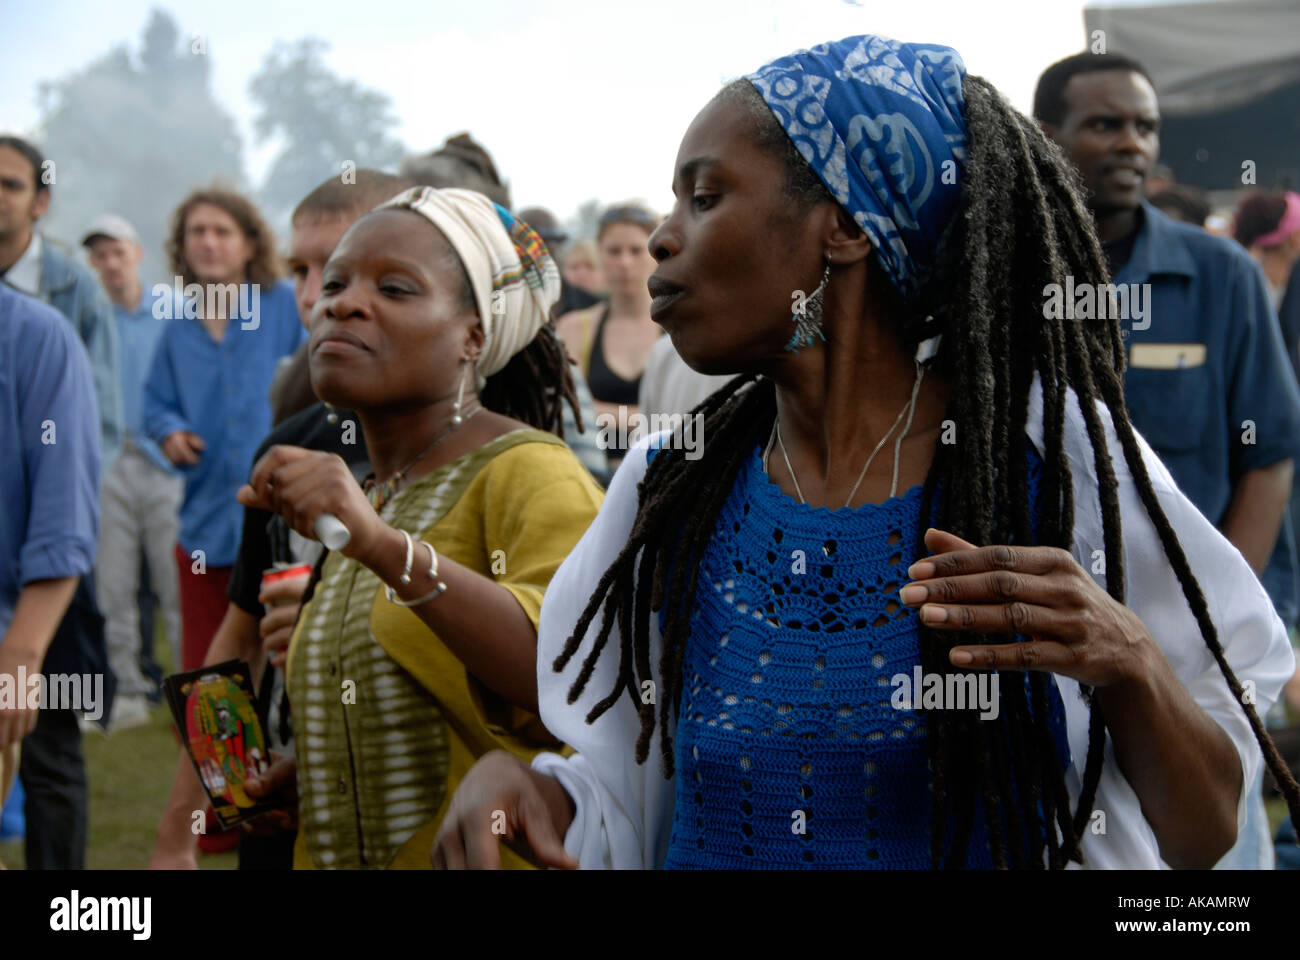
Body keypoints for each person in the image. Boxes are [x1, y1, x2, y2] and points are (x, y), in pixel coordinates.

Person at [430, 34, 1298, 871]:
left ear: (844, 227)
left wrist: (1129, 659)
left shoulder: (1047, 457)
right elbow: (626, 791)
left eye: (704, 196)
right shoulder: (674, 485)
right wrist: (526, 789)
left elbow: (1205, 834)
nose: (663, 237)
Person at [234, 186, 604, 870]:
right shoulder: (376, 496)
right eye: (335, 283)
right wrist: (322, 775)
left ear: (473, 335)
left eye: (396, 289)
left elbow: (564, 677)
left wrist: (376, 544)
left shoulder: (530, 473)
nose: (340, 302)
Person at [1036, 52, 1300, 869]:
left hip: (1202, 656)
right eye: (1104, 124)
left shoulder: (1219, 274)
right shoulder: (1009, 282)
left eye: (1145, 126)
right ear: (1046, 137)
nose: (1131, 144)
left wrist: (1201, 636)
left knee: (1215, 856)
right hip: (1055, 657)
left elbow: (1268, 457)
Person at [150, 168, 412, 869]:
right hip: (286, 819)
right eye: (302, 269)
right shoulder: (290, 441)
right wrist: (186, 822)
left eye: (342, 266)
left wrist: (338, 611)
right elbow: (236, 645)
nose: (313, 293)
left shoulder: (474, 448)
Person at [1, 133, 121, 870]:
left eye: (9, 184)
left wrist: (68, 506)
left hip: (50, 550)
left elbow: (95, 423)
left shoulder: (62, 305)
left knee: (49, 744)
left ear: (39, 202)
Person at [144, 187, 304, 676]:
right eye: (197, 232)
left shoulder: (285, 304)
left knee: (282, 670)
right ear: (183, 246)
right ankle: (205, 755)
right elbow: (154, 403)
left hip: (283, 521)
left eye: (222, 231)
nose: (208, 242)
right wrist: (169, 429)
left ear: (250, 244)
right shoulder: (176, 323)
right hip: (204, 529)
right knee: (206, 678)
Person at [0, 283, 101, 869]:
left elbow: (64, 510)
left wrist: (21, 650)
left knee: (52, 765)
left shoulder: (37, 336)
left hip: (31, 612)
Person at [83, 213, 184, 732]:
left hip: (165, 464)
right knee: (113, 585)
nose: (109, 264)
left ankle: (194, 686)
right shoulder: (93, 320)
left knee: (175, 583)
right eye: (99, 256)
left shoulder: (173, 312)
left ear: (137, 254)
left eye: (116, 252)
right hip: (109, 463)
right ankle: (127, 687)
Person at [556, 203, 663, 468]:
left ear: (655, 256)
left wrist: (597, 410)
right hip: (593, 482)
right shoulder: (574, 328)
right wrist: (650, 419)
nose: (625, 262)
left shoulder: (681, 327)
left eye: (636, 251)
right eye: (614, 251)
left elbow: (696, 420)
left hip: (666, 478)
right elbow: (564, 413)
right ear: (601, 254)